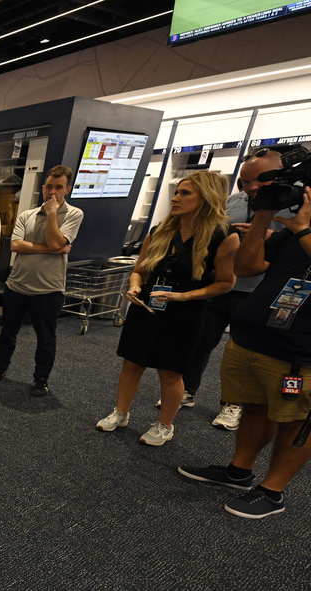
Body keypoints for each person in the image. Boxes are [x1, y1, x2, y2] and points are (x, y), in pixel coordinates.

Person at [178, 184, 311, 519]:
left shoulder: (303, 229)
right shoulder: (294, 232)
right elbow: (248, 267)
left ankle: (273, 490)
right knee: (255, 408)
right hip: (251, 340)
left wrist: (304, 229)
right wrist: (264, 216)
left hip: (298, 353)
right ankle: (239, 472)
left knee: (295, 422)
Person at [96, 171, 239, 446]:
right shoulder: (160, 230)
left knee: (171, 372)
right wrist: (135, 286)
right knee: (131, 364)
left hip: (185, 312)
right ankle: (121, 412)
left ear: (206, 198)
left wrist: (184, 297)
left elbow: (225, 283)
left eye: (185, 193)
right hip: (146, 306)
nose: (175, 198)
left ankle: (165, 424)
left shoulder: (224, 236)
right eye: (176, 192)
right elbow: (140, 270)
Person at [180, 149, 288, 430]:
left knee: (240, 352)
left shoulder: (295, 204)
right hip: (222, 285)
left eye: (259, 181)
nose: (251, 187)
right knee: (200, 342)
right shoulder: (234, 201)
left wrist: (270, 237)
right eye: (246, 181)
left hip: (259, 293)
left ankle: (233, 406)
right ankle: (187, 390)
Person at [0, 165, 84, 396]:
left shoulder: (75, 214)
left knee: (45, 337)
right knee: (8, 332)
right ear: (43, 187)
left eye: (58, 187)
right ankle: (1, 367)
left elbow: (57, 242)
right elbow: (16, 245)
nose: (52, 192)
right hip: (17, 286)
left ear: (67, 189)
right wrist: (52, 249)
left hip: (48, 290)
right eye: (48, 186)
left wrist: (53, 214)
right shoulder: (27, 215)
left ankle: (41, 379)